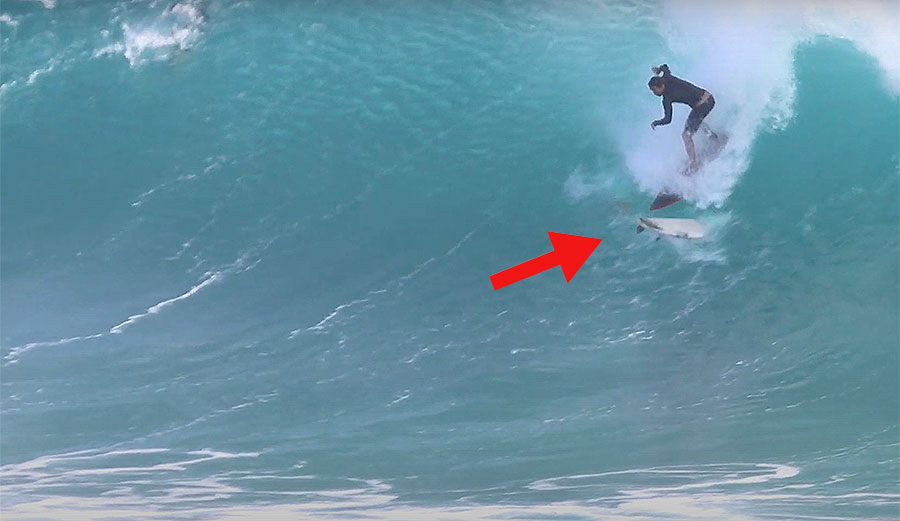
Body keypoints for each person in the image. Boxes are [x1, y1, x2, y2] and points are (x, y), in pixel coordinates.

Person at [648, 64, 718, 172]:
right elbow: (665, 67)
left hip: (702, 106)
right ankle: (712, 137)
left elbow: (667, 119)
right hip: (709, 98)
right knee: (696, 121)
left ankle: (694, 165)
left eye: (654, 90)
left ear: (660, 86)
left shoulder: (667, 98)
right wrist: (658, 70)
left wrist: (656, 123)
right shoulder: (667, 77)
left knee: (686, 135)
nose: (654, 93)